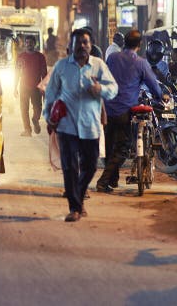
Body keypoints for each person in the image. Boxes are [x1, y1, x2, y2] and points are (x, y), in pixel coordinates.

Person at [44, 28, 118, 222]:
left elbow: (113, 88)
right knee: (69, 167)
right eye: (78, 43)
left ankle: (78, 193)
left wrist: (99, 89)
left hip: (90, 125)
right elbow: (51, 94)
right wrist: (47, 117)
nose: (82, 46)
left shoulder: (98, 66)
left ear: (90, 45)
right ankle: (75, 207)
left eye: (85, 42)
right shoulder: (61, 67)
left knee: (91, 166)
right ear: (71, 45)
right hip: (66, 126)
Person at [96, 31, 168, 193]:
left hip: (108, 107)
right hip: (125, 109)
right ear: (140, 45)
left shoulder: (113, 58)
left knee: (109, 144)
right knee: (123, 147)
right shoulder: (141, 63)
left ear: (123, 43)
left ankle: (112, 179)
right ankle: (103, 181)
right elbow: (153, 85)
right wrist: (160, 96)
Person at [15, 35, 47, 136]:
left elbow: (44, 73)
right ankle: (27, 130)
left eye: (31, 43)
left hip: (36, 87)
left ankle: (35, 119)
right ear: (25, 44)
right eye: (27, 42)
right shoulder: (20, 57)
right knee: (24, 109)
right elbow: (16, 73)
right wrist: (14, 87)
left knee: (38, 107)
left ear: (35, 44)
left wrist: (44, 87)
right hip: (23, 86)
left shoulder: (40, 57)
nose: (29, 44)